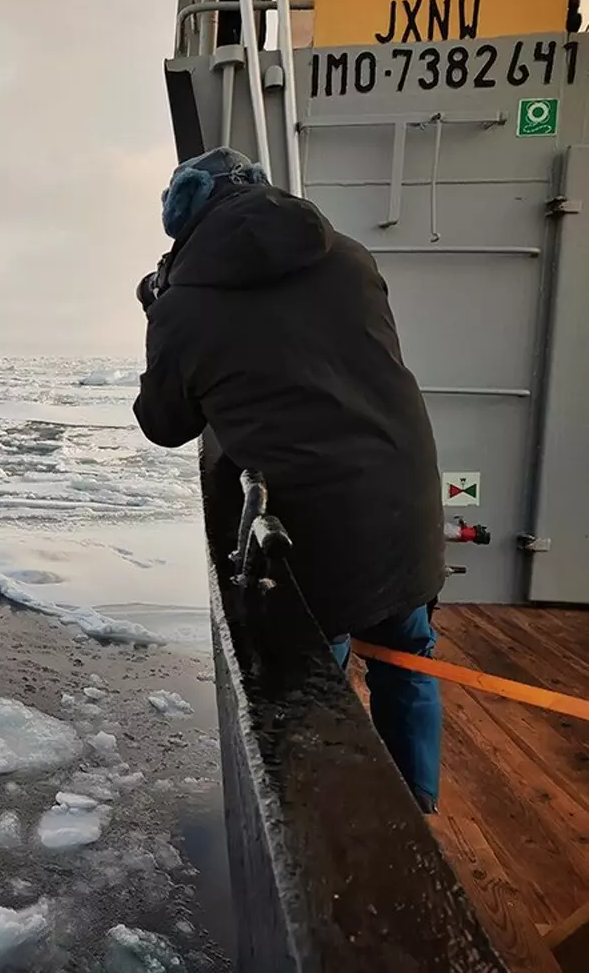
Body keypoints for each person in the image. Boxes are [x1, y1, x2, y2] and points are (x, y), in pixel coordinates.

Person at [133, 146, 447, 814]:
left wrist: (159, 313)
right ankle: (418, 815)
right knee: (407, 654)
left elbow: (163, 422)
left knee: (316, 688)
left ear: (184, 216)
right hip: (404, 498)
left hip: (313, 532)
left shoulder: (184, 305)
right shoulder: (351, 257)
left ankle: (333, 828)